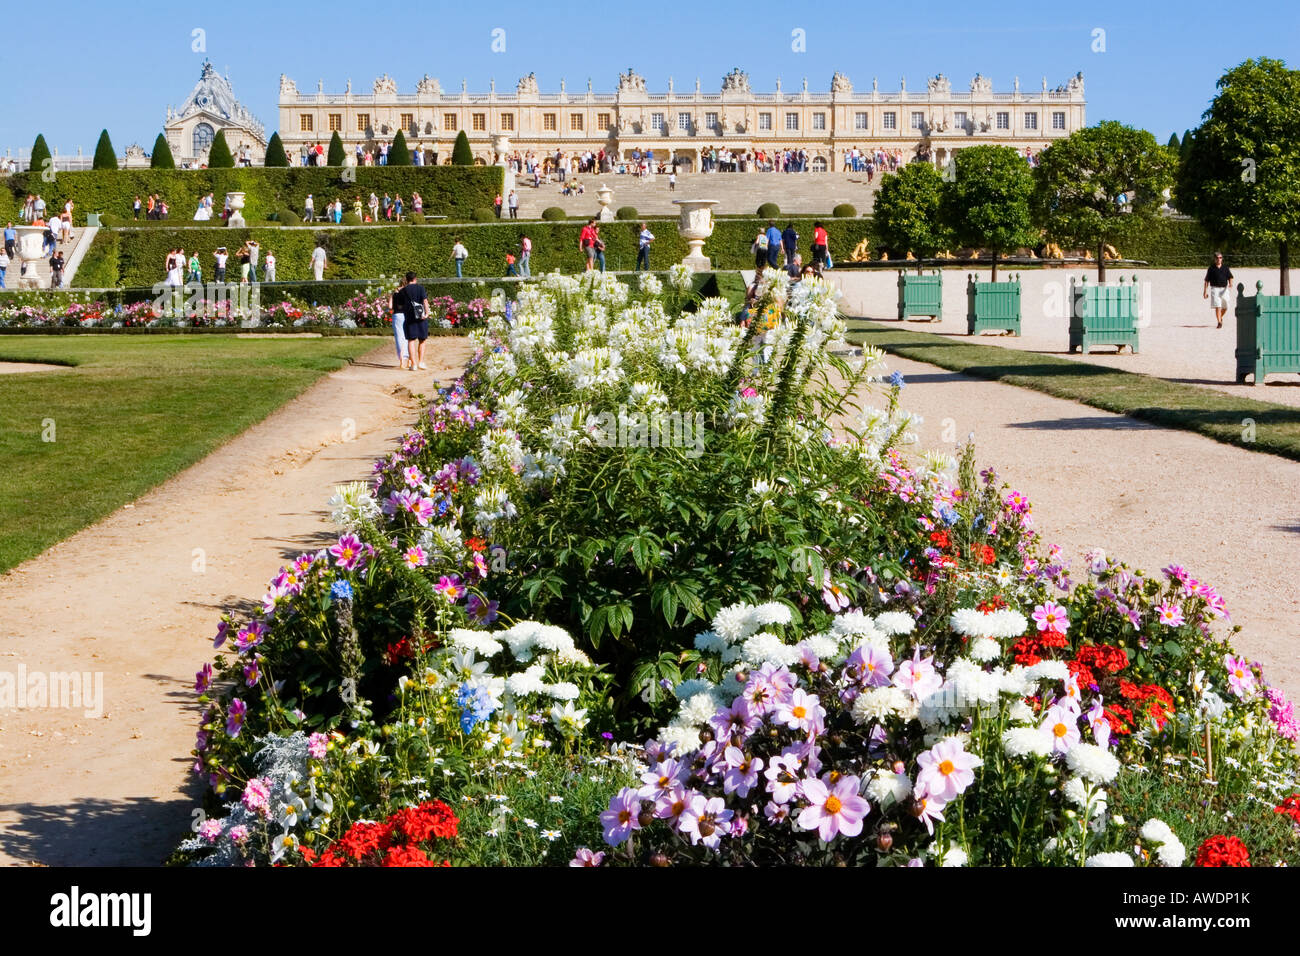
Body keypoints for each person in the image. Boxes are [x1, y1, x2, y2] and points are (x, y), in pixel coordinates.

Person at [402, 271, 429, 370]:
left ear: (407, 279)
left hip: (409, 317)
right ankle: (421, 362)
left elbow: (400, 305)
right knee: (422, 340)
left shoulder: (403, 290)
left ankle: (413, 364)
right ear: (415, 279)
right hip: (421, 316)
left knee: (411, 340)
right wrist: (427, 313)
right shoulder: (420, 288)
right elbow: (425, 301)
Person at [1203, 251, 1233, 329]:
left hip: (1224, 289)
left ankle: (1220, 317)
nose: (1219, 259)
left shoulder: (1225, 268)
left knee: (1225, 307)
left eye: (1220, 258)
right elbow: (1206, 280)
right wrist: (1205, 292)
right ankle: (1219, 322)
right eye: (1217, 258)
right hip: (1215, 289)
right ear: (1214, 259)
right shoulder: (1211, 268)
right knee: (1218, 306)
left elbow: (1230, 276)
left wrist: (1230, 283)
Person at [390, 274, 411, 370]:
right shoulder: (407, 291)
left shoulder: (394, 292)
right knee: (408, 337)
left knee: (399, 337)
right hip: (406, 315)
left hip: (396, 315)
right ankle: (409, 359)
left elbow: (390, 306)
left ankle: (402, 359)